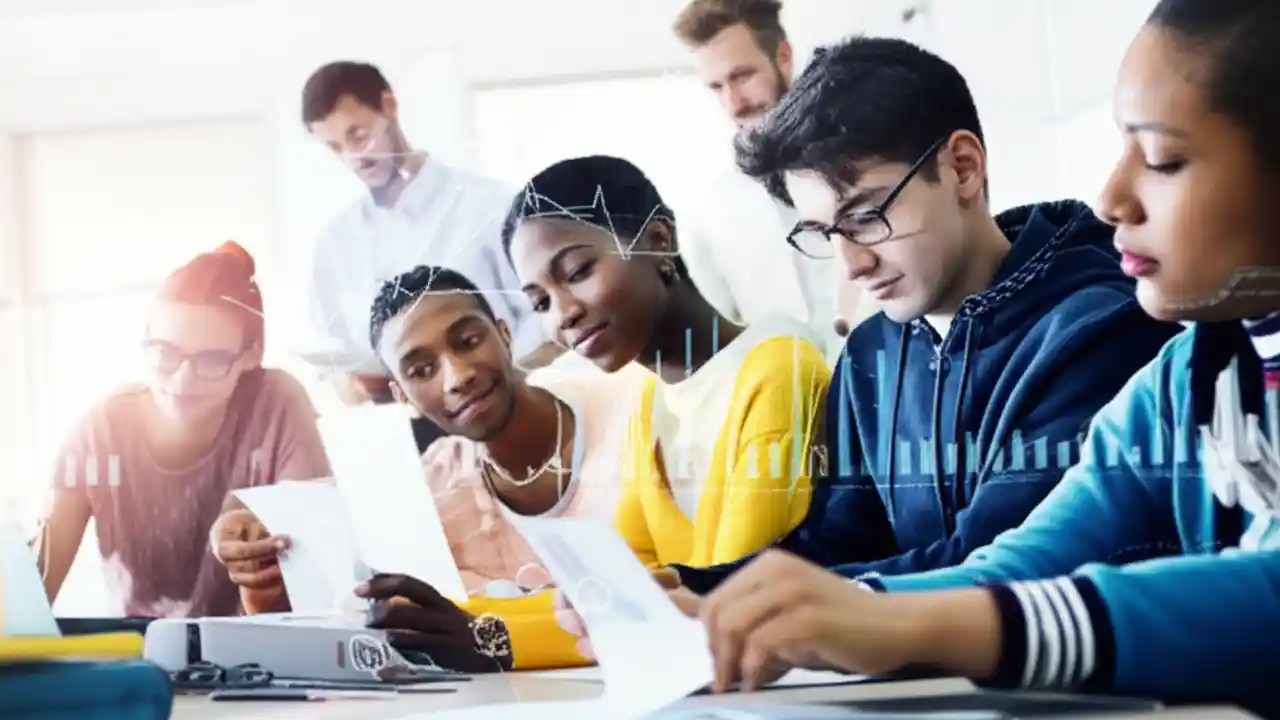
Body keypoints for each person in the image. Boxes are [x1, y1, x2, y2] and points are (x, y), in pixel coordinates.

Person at [686, 0, 1280, 711]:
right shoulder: (1184, 378)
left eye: (1162, 158)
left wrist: (897, 621)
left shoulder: (1100, 328)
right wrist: (777, 605)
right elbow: (1028, 559)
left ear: (963, 167)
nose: (1113, 194)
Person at [659, 35, 1183, 597]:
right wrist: (691, 589)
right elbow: (840, 540)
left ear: (962, 167)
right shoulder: (870, 353)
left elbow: (992, 564)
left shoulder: (1098, 332)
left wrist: (766, 604)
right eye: (824, 234)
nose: (853, 265)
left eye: (865, 217)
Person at [217, 265, 648, 671]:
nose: (457, 376)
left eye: (468, 341)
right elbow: (322, 606)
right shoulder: (430, 491)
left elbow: (666, 600)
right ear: (402, 395)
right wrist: (262, 571)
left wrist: (491, 636)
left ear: (504, 335)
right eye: (422, 370)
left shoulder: (632, 415)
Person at [503, 155, 831, 571]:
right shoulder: (651, 401)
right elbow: (625, 576)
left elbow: (734, 584)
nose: (562, 314)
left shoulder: (779, 367)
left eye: (578, 271)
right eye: (540, 302)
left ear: (658, 240)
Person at [32, 242, 331, 618]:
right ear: (145, 341)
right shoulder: (101, 432)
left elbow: (311, 586)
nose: (182, 379)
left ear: (252, 354)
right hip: (140, 657)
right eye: (164, 353)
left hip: (256, 655)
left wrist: (253, 559)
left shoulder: (277, 405)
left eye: (211, 360)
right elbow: (36, 582)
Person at [296, 60, 558, 449]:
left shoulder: (489, 208)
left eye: (360, 135)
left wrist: (473, 375)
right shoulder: (336, 244)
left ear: (388, 105)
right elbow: (330, 359)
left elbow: (547, 321)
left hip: (505, 427)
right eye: (336, 148)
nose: (354, 157)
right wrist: (355, 387)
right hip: (398, 446)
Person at [673, 0, 867, 359]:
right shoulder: (713, 216)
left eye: (742, 76)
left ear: (784, 56)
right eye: (716, 87)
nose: (734, 104)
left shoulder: (865, 163)